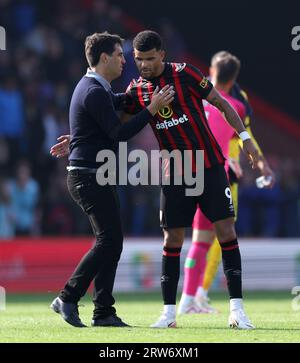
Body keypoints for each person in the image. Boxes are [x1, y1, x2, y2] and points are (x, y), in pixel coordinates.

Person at [51, 30, 259, 329]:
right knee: (172, 239)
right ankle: (169, 314)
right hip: (175, 171)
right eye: (138, 60)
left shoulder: (186, 74)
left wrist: (245, 137)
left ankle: (237, 310)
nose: (143, 65)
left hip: (209, 165)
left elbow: (222, 103)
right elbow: (113, 125)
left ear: (162, 54)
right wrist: (78, 139)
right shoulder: (137, 90)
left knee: (226, 232)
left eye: (149, 59)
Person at [50, 31, 174, 328]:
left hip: (96, 174)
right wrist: (151, 110)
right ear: (104, 58)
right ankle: (67, 297)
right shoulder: (93, 91)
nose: (124, 60)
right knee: (108, 241)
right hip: (88, 176)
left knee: (112, 242)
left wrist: (80, 137)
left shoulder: (95, 87)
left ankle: (103, 311)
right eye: (119, 54)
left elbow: (112, 104)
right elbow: (118, 134)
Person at [178, 51, 275, 315]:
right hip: (217, 177)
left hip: (189, 174)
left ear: (211, 70)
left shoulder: (192, 98)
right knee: (225, 240)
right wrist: (261, 165)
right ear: (234, 79)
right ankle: (212, 300)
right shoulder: (236, 106)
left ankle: (187, 300)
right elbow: (245, 138)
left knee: (197, 241)